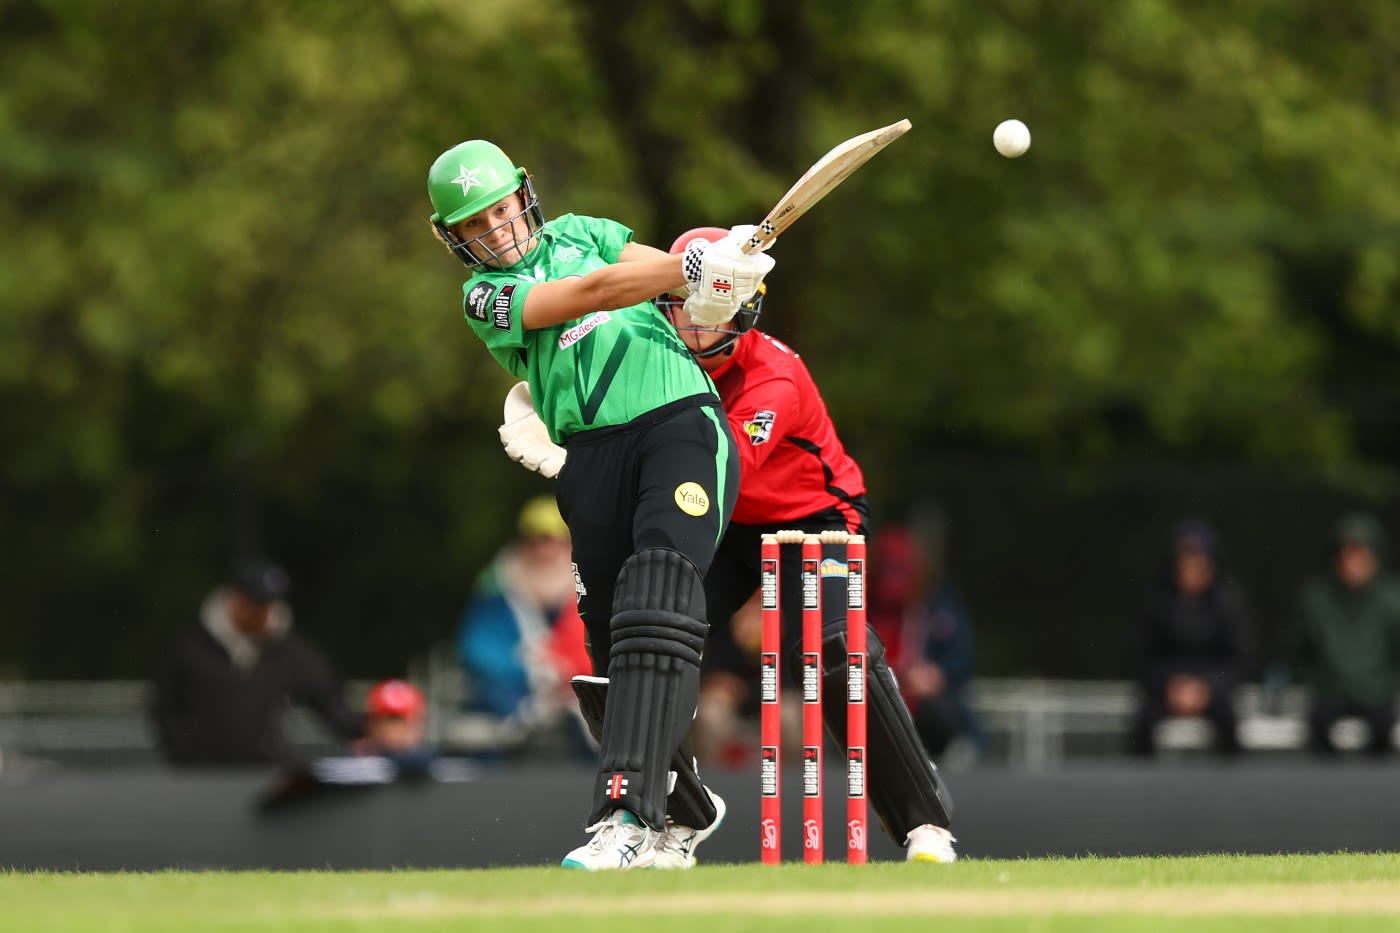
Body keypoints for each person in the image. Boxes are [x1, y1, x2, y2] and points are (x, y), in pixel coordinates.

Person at [426, 143, 774, 870]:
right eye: (475, 223)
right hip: (590, 456)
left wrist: (716, 280)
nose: (496, 229)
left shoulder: (585, 231)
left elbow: (678, 296)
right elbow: (591, 294)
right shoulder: (483, 297)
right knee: (610, 652)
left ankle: (623, 813)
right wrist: (692, 264)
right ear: (451, 237)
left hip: (676, 420)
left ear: (525, 193)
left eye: (500, 208)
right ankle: (688, 808)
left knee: (658, 593)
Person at [650, 226, 958, 863]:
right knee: (655, 624)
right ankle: (664, 819)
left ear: (743, 310)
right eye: (686, 310)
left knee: (827, 649)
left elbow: (721, 462)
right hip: (727, 518)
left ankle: (924, 823)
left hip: (813, 512)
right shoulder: (653, 356)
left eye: (715, 315)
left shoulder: (774, 378)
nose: (697, 331)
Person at [149, 557, 365, 766]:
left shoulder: (290, 652)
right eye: (256, 602)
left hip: (267, 773)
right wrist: (184, 755)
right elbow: (167, 709)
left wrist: (363, 734)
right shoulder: (192, 648)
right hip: (205, 776)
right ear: (233, 597)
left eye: (269, 603)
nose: (263, 612)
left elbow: (330, 702)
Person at [454, 495, 591, 759]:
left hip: (573, 692)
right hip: (511, 694)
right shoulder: (496, 583)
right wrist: (526, 669)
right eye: (539, 539)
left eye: (555, 540)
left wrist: (566, 670)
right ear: (525, 542)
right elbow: (477, 645)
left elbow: (599, 645)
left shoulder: (590, 585)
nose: (546, 550)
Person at [1125, 519, 1255, 758]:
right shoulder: (1156, 600)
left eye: (1198, 560)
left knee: (1230, 723)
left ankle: (1232, 790)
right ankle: (1141, 789)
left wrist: (1207, 689)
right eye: (1185, 560)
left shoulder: (1229, 602)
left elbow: (1241, 659)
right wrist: (1170, 687)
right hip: (1165, 689)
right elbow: (1139, 657)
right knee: (1141, 725)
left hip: (1214, 691)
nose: (1191, 567)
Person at [868, 517, 982, 760]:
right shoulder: (863, 608)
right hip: (876, 701)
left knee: (940, 711)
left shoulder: (938, 608)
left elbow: (962, 656)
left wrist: (936, 674)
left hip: (925, 707)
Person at [1288, 512, 1400, 756]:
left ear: (1376, 556)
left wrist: (1385, 684)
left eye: (1360, 554)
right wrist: (1319, 681)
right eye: (1347, 553)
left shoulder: (1392, 600)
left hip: (1376, 695)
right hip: (1330, 694)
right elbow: (1298, 653)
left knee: (1383, 728)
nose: (1353, 562)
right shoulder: (1316, 599)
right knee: (1318, 727)